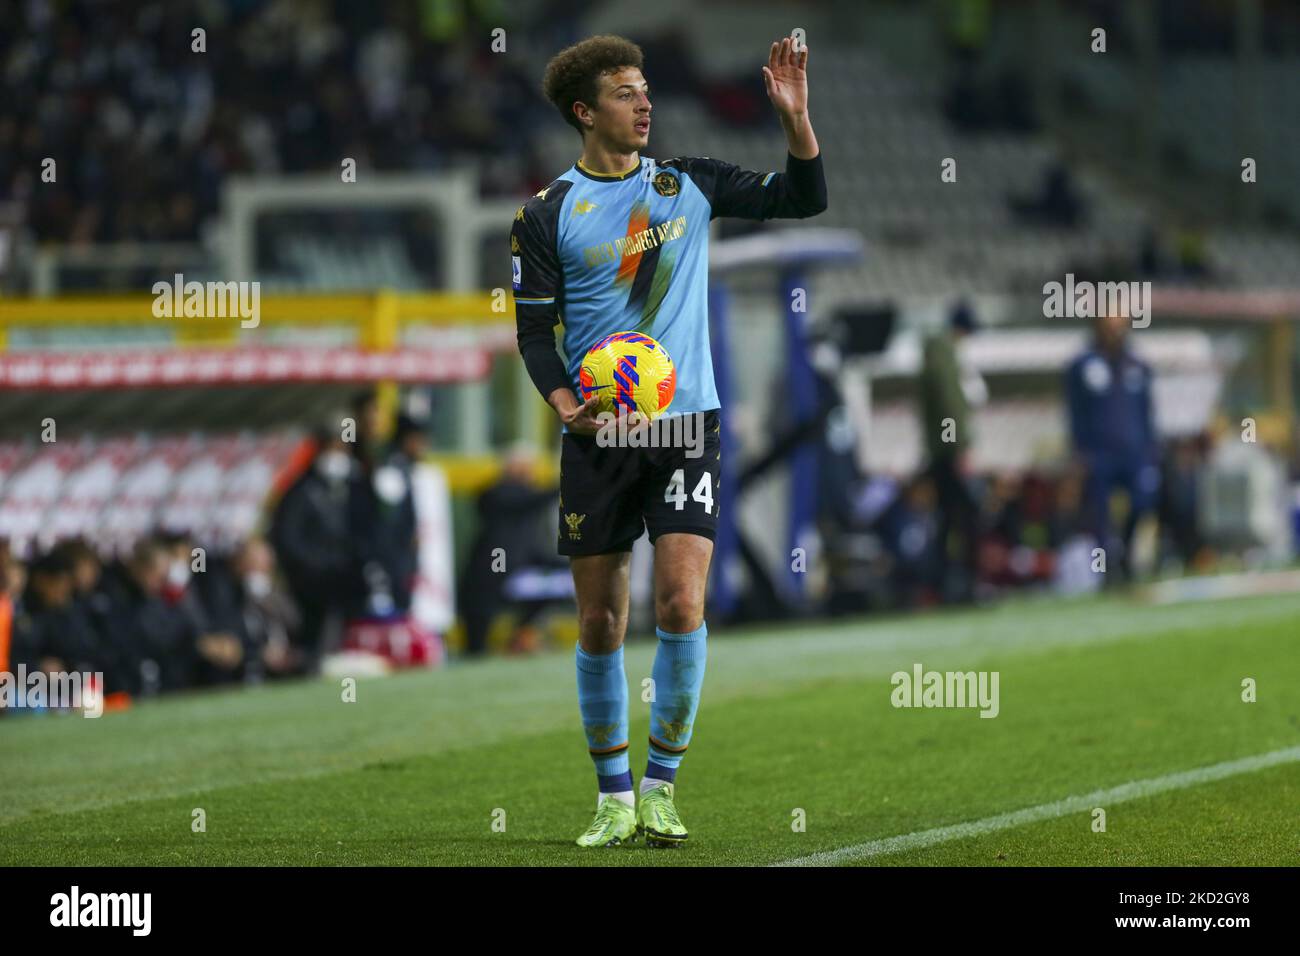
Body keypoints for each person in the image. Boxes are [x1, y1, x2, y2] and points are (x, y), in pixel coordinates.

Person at [511, 34, 826, 847]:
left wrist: (795, 121)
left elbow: (803, 199)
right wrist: (562, 403)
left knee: (682, 602)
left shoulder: (688, 184)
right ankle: (611, 795)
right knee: (601, 623)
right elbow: (534, 333)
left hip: (687, 425)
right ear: (585, 112)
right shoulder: (545, 216)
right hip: (600, 434)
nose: (645, 102)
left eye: (646, 88)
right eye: (625, 92)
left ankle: (660, 788)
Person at [1065, 312, 1160, 581]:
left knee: (1143, 502)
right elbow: (1075, 412)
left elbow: (1147, 411)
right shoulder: (1082, 366)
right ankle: (1108, 571)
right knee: (1100, 515)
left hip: (1134, 451)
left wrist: (1151, 448)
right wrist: (1079, 453)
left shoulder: (1137, 365)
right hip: (1098, 452)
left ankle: (1127, 553)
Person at [270, 427, 359, 670]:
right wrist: (313, 567)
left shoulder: (346, 489)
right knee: (311, 641)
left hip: (337, 580)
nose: (340, 455)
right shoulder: (302, 491)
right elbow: (287, 537)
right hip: (308, 584)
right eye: (334, 448)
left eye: (344, 448)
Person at [919, 302, 985, 603]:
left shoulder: (941, 354)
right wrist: (957, 448)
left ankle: (944, 583)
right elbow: (949, 406)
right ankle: (962, 584)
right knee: (966, 517)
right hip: (948, 453)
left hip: (943, 451)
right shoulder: (944, 354)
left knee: (948, 519)